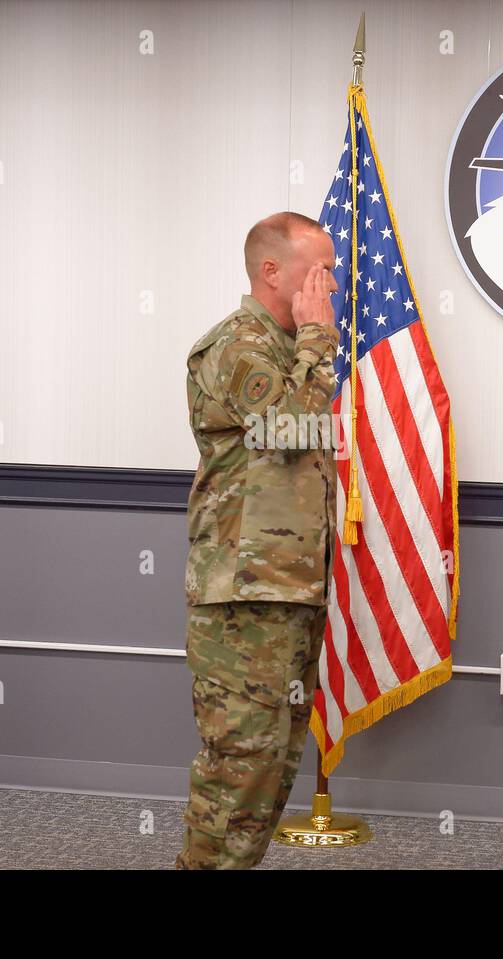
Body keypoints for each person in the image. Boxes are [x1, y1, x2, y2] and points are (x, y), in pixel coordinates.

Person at [175, 212, 338, 869]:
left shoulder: (288, 347)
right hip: (244, 596)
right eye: (319, 269)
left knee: (270, 766)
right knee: (237, 768)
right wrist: (319, 342)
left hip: (290, 587)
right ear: (272, 271)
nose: (331, 284)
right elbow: (288, 431)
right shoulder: (240, 346)